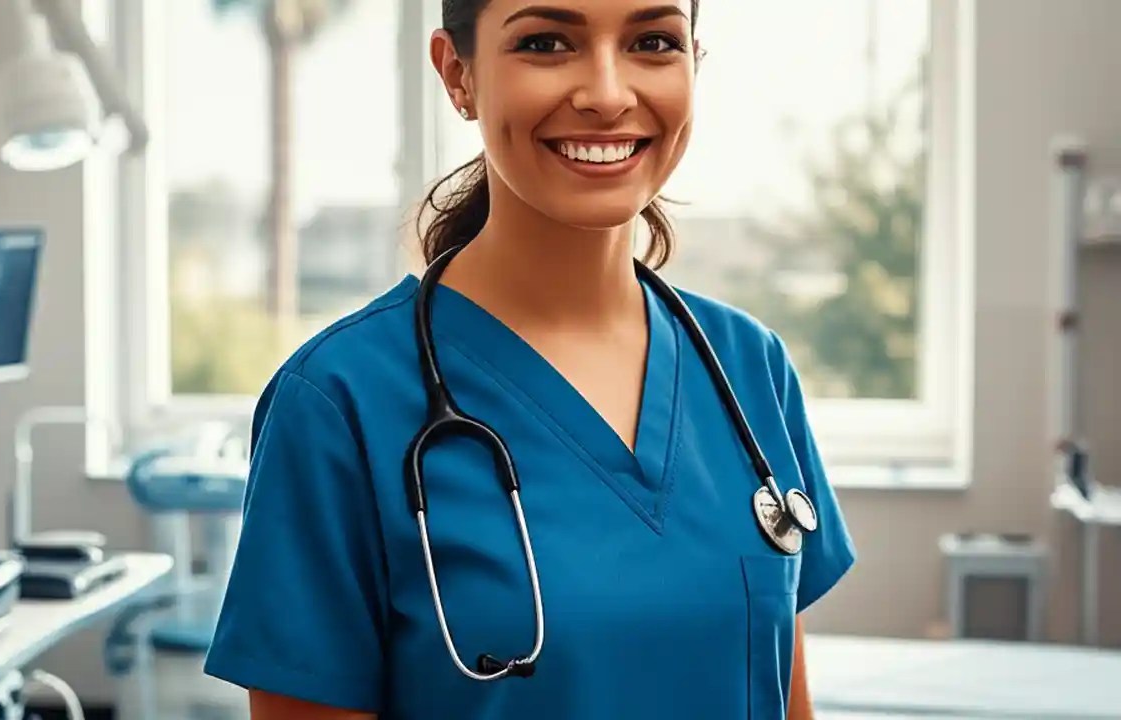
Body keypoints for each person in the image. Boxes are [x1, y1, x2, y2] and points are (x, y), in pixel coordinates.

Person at [203, 0, 857, 717]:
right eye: (546, 42)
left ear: (694, 63)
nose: (608, 94)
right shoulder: (338, 403)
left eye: (653, 41)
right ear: (459, 75)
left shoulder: (749, 367)